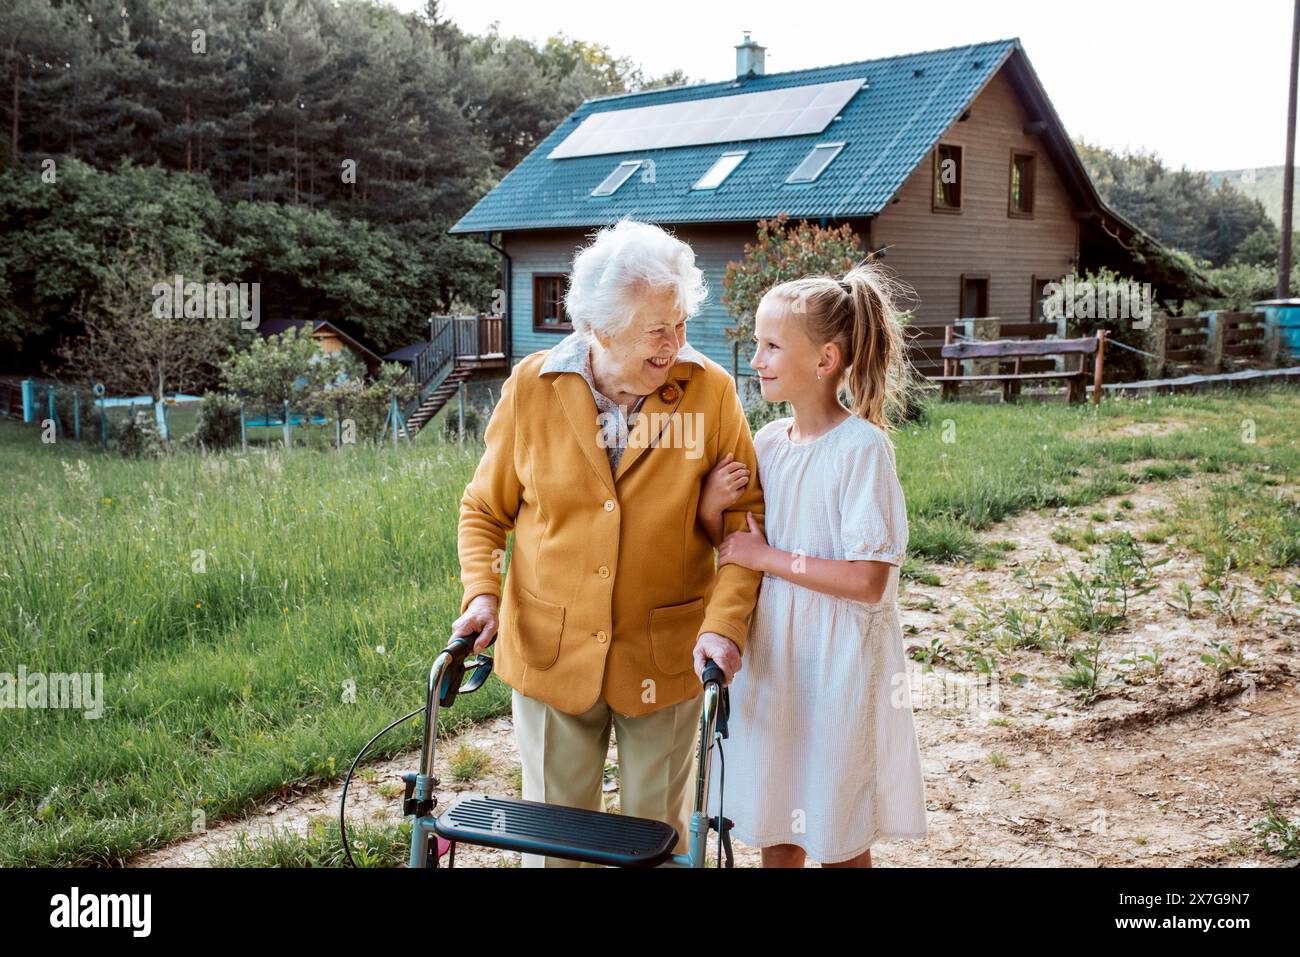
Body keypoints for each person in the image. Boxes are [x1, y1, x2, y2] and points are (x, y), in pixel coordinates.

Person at [451, 218, 765, 867]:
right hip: (548, 648)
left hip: (669, 649)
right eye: (658, 331)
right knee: (553, 844)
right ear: (600, 326)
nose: (675, 344)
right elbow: (485, 509)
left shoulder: (709, 393)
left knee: (660, 841)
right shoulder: (532, 389)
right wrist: (482, 593)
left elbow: (744, 531)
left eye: (679, 324)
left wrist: (726, 626)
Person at [698, 261, 928, 867]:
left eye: (773, 346)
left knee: (835, 822)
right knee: (779, 812)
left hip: (839, 660)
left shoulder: (863, 449)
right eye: (756, 344)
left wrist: (767, 557)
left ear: (825, 361)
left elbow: (867, 580)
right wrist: (709, 506)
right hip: (777, 653)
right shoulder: (768, 443)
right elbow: (731, 546)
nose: (757, 359)